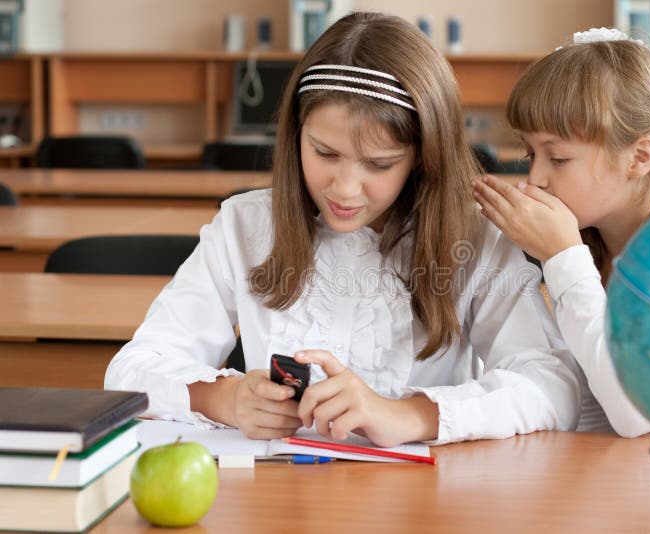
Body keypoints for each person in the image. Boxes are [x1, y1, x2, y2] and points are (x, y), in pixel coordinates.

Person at [106, 12, 581, 447]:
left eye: (379, 164)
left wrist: (407, 415)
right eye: (325, 153)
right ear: (296, 135)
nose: (346, 189)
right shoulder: (244, 226)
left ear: (421, 158)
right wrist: (223, 399)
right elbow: (129, 371)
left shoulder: (474, 240)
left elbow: (553, 385)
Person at [472, 28, 650, 437]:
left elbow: (633, 416)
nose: (535, 177)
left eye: (557, 157)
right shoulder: (585, 240)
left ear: (639, 157)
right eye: (530, 154)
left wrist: (563, 257)